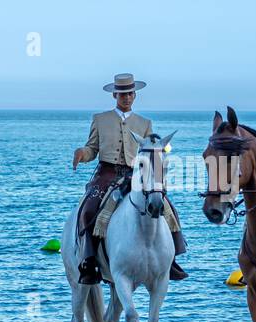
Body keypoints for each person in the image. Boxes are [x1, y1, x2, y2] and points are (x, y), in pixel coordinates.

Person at [72, 73, 187, 285]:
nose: (127, 97)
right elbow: (92, 148)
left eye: (130, 94)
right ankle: (89, 262)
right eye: (123, 94)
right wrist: (82, 153)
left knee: (166, 205)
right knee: (89, 208)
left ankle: (171, 260)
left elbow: (150, 151)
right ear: (115, 95)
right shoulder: (100, 119)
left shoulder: (144, 123)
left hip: (135, 173)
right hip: (106, 173)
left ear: (135, 95)